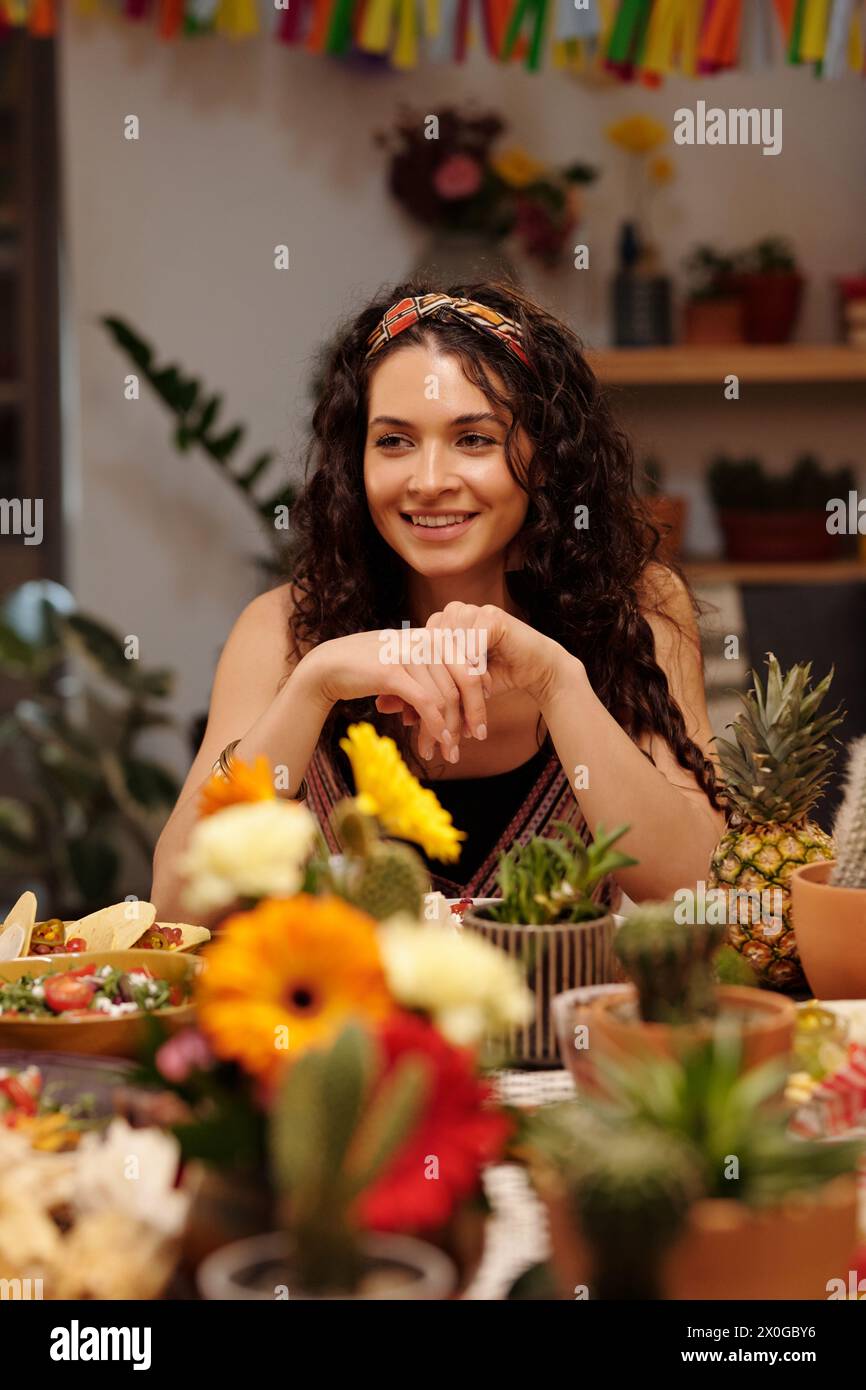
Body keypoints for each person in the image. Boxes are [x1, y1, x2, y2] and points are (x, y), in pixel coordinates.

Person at [151, 282, 724, 920]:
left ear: (547, 456)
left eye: (474, 439)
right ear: (355, 461)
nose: (428, 482)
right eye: (394, 442)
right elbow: (175, 909)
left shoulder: (639, 608)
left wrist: (559, 686)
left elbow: (704, 892)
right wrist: (311, 687)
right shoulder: (282, 629)